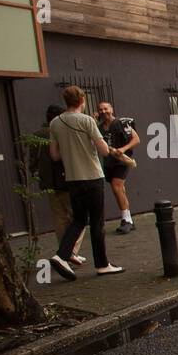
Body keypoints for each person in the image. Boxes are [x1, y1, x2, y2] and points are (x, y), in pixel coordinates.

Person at [47, 86, 124, 280]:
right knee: (97, 221)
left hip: (72, 178)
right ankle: (102, 264)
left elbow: (55, 155)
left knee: (79, 219)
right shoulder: (87, 120)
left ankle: (62, 255)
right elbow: (104, 151)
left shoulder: (55, 123)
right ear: (82, 100)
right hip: (92, 176)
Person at [34, 105, 84, 266]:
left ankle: (65, 252)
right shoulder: (61, 133)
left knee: (59, 218)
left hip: (49, 184)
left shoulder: (37, 135)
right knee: (79, 217)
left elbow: (32, 163)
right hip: (67, 181)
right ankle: (70, 252)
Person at [95, 102, 140, 234]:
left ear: (111, 109)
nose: (103, 111)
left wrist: (123, 149)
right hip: (108, 162)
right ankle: (129, 220)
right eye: (100, 109)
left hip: (122, 161)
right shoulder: (99, 127)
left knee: (117, 187)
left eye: (105, 108)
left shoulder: (121, 123)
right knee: (119, 190)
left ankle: (125, 219)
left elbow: (136, 139)